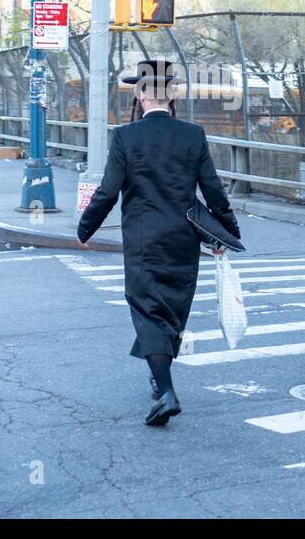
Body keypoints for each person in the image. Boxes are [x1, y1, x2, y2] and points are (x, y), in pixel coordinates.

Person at [77, 59, 240, 427]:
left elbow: (107, 192)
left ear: (139, 93)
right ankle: (158, 378)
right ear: (172, 94)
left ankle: (166, 391)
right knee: (171, 309)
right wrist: (227, 232)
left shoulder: (126, 137)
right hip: (183, 238)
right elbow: (213, 190)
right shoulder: (193, 135)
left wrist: (85, 229)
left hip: (142, 239)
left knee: (148, 310)